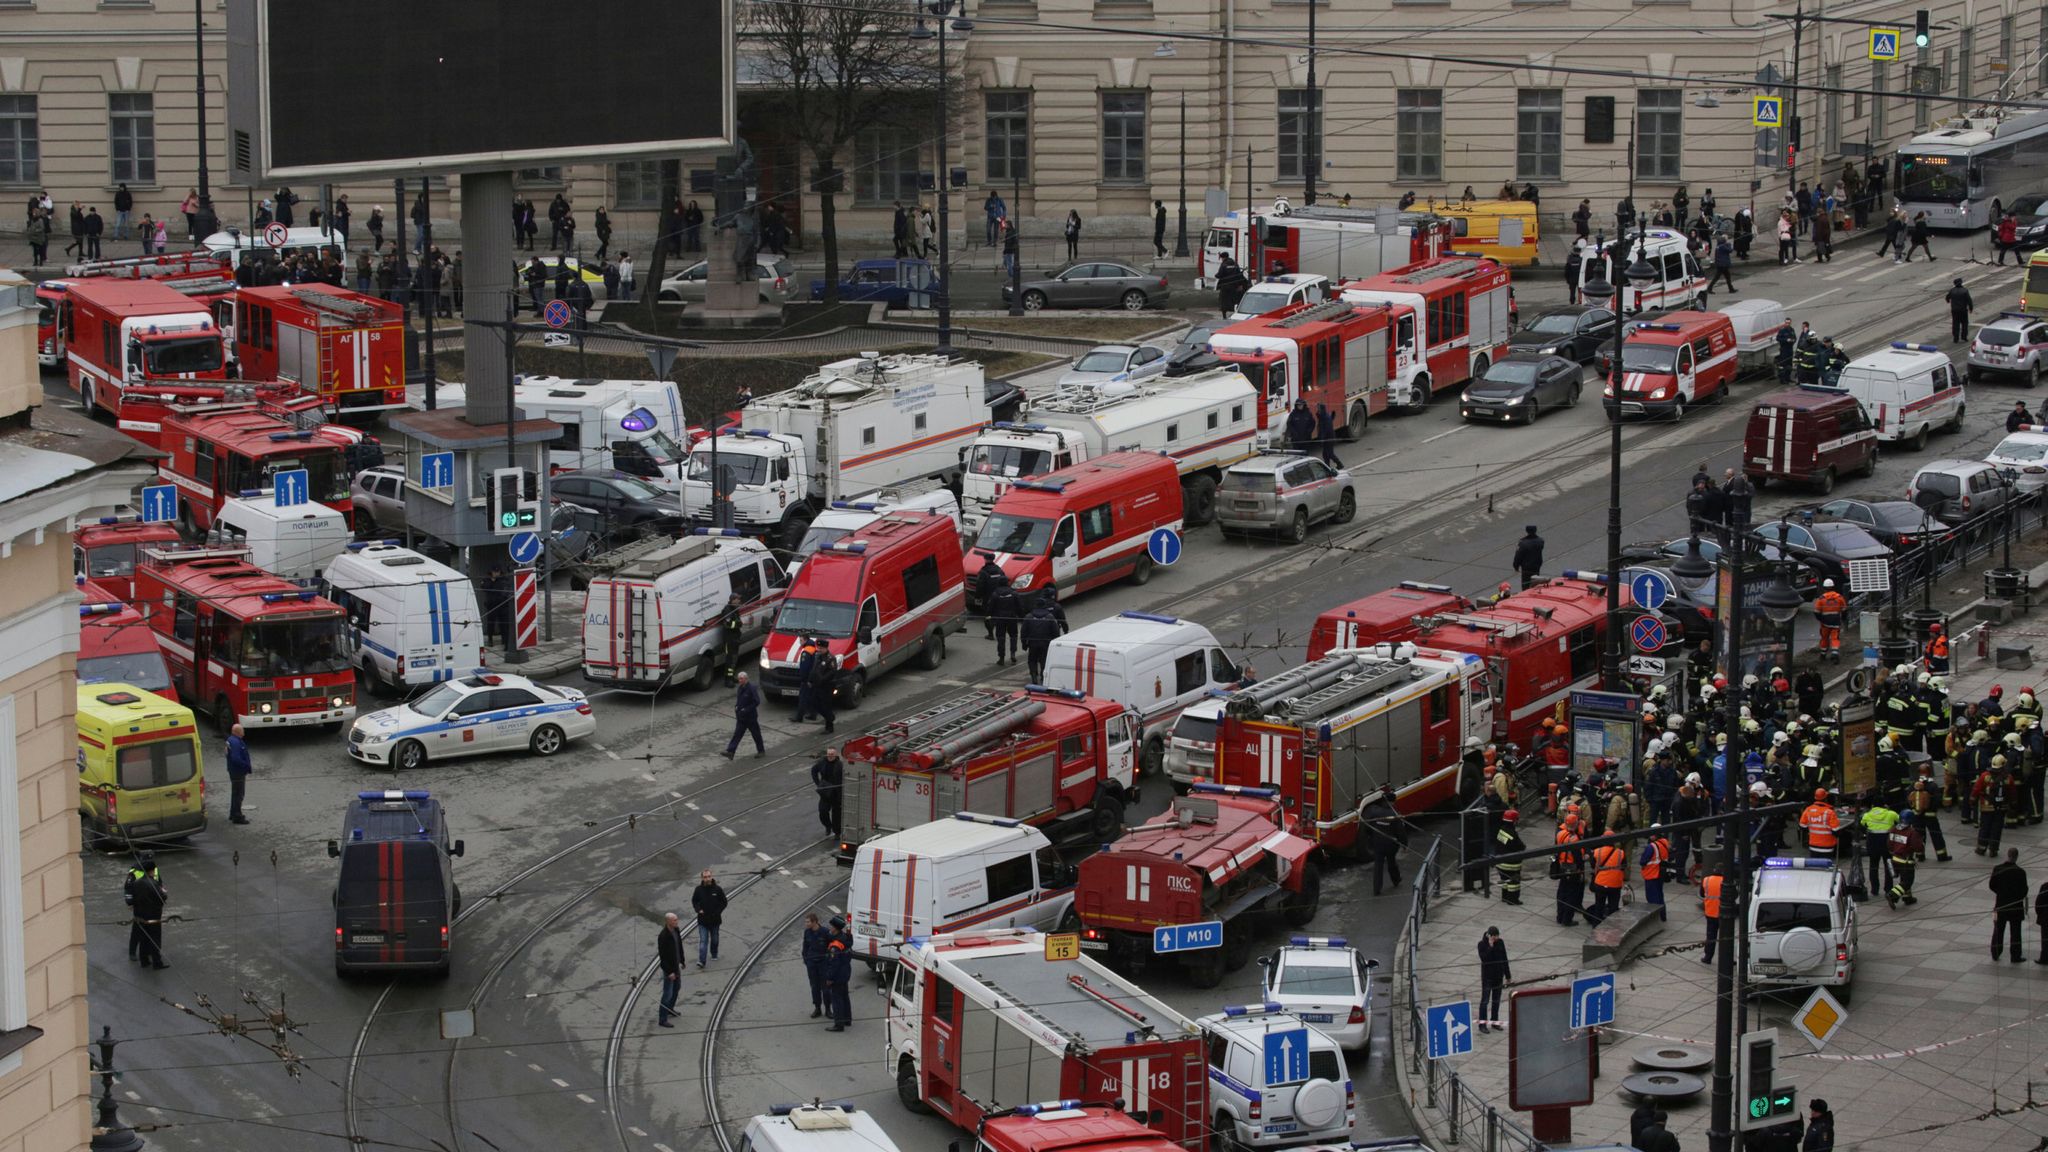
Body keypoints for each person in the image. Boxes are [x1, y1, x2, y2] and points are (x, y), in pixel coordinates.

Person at [1991, 848, 2029, 961]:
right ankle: (2015, 955)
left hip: (2000, 905)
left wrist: (2001, 893)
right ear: (2016, 857)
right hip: (2015, 907)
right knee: (2016, 932)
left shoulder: (1997, 869)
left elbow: (1991, 885)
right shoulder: (2020, 872)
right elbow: (2024, 891)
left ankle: (1995, 952)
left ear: (2007, 855)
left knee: (1998, 929)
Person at [130, 860, 168, 969]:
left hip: (140, 914)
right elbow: (162, 897)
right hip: (153, 915)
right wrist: (164, 892)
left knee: (143, 938)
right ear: (151, 871)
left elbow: (133, 898)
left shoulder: (136, 882)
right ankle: (157, 962)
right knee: (154, 938)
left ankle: (144, 961)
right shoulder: (154, 883)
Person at [124, 853, 160, 962]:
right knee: (137, 928)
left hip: (152, 904)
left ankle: (147, 951)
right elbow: (128, 888)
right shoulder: (134, 872)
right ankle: (132, 952)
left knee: (150, 928)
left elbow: (159, 883)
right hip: (139, 904)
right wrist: (130, 903)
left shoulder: (154, 869)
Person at [690, 869, 727, 968]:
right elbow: (694, 901)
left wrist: (718, 912)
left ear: (712, 877)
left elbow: (724, 902)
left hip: (715, 920)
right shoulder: (698, 890)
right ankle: (702, 961)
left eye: (709, 876)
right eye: (705, 877)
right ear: (702, 878)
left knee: (714, 939)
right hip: (703, 920)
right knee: (703, 941)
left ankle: (714, 953)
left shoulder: (717, 889)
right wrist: (698, 910)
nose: (707, 879)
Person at [723, 672, 764, 759]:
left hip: (751, 718)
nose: (740, 680)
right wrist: (737, 708)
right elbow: (739, 700)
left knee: (756, 734)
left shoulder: (751, 688)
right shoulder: (740, 688)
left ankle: (761, 751)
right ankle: (730, 751)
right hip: (741, 718)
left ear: (746, 679)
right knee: (737, 734)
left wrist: (746, 710)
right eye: (739, 679)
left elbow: (756, 702)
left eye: (741, 679)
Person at [1475, 927, 1509, 1031]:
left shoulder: (1500, 942)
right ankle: (1482, 1024)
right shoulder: (1482, 944)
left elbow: (1504, 958)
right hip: (1488, 977)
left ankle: (1494, 1021)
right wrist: (1490, 946)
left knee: (1496, 1000)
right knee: (1485, 1001)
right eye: (1494, 936)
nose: (1496, 938)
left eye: (1497, 936)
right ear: (1489, 935)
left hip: (1498, 976)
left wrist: (1508, 975)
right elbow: (1484, 958)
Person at [1554, 814, 1585, 926]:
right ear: (1576, 824)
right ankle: (1567, 919)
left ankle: (1560, 916)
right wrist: (1581, 870)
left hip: (1562, 867)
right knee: (1571, 895)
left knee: (1562, 892)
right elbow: (1578, 858)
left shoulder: (1560, 834)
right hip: (1573, 869)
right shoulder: (1575, 839)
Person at [824, 919, 854, 1030]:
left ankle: (839, 1024)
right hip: (846, 971)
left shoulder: (835, 945)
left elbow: (834, 964)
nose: (829, 928)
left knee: (837, 998)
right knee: (844, 996)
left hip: (838, 975)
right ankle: (847, 1019)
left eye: (831, 926)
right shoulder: (845, 937)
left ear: (835, 929)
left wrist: (829, 977)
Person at [1022, 599, 1061, 683]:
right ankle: (1043, 676)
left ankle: (1034, 676)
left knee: (1032, 660)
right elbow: (1056, 632)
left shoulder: (1029, 616)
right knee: (1044, 659)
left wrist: (1024, 644)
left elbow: (1023, 632)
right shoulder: (1050, 617)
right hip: (1045, 643)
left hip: (1032, 643)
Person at [655, 912, 684, 1027]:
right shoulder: (663, 936)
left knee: (677, 987)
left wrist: (682, 960)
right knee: (667, 993)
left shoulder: (676, 931)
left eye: (676, 920)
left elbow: (679, 946)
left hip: (676, 966)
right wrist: (669, 972)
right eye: (674, 920)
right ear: (668, 922)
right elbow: (663, 957)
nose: (677, 922)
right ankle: (662, 1019)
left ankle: (670, 1009)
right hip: (669, 970)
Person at [1587, 841, 1625, 925]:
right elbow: (1624, 866)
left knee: (1599, 905)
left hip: (1600, 882)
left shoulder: (1597, 851)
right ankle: (1612, 926)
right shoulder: (1621, 852)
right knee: (1613, 907)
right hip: (1615, 883)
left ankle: (1596, 924)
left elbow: (1593, 865)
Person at [801, 913, 832, 1018]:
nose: (806, 924)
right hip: (812, 964)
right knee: (814, 987)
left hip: (823, 963)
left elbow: (831, 947)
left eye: (808, 922)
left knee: (826, 988)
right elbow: (805, 946)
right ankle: (817, 1008)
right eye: (806, 922)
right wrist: (806, 960)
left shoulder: (825, 932)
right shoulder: (807, 932)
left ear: (814, 922)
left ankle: (828, 1009)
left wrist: (829, 961)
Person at [1640, 825, 1672, 919]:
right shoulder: (1665, 842)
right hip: (1661, 873)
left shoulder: (1651, 846)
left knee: (1652, 897)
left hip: (1652, 873)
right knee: (1659, 895)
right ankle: (1662, 916)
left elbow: (1643, 861)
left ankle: (1655, 918)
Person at [1494, 809, 1524, 904]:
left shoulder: (1501, 830)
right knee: (1514, 882)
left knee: (1504, 880)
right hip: (1511, 864)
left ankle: (1505, 897)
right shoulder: (1512, 834)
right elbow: (1520, 846)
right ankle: (1512, 899)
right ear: (1514, 821)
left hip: (1500, 862)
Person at [811, 747, 843, 838]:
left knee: (836, 814)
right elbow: (814, 770)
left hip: (836, 793)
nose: (830, 756)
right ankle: (828, 826)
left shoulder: (840, 765)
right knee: (822, 811)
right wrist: (818, 783)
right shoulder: (822, 762)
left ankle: (837, 832)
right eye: (828, 754)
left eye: (832, 755)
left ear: (836, 755)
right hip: (825, 792)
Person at [225, 722, 253, 824]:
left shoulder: (231, 740)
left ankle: (233, 813)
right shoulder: (236, 743)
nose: (244, 732)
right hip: (238, 772)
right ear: (238, 732)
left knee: (235, 792)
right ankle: (237, 816)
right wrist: (245, 766)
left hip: (234, 771)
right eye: (242, 730)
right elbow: (236, 758)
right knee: (239, 794)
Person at [990, 580, 1022, 667]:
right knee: (1013, 636)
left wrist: (989, 616)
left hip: (1000, 619)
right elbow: (1019, 606)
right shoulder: (1013, 593)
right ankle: (1013, 654)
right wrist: (1021, 616)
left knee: (1001, 638)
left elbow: (991, 607)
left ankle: (1001, 658)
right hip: (1012, 617)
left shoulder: (995, 594)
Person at [976, 554, 1008, 639]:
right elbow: (1005, 581)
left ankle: (990, 634)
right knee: (998, 615)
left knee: (988, 616)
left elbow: (980, 586)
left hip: (988, 598)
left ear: (985, 559)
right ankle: (1000, 634)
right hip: (999, 597)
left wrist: (978, 597)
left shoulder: (983, 571)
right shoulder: (999, 570)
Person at [1814, 580, 1846, 662]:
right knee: (1835, 638)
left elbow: (1816, 612)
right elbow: (1844, 609)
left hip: (1825, 623)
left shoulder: (1821, 599)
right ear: (1833, 587)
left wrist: (1821, 619)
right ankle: (1835, 653)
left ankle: (1823, 654)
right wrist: (1843, 619)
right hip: (1836, 621)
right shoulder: (1839, 597)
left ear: (1824, 588)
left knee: (1824, 638)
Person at [1700, 868, 1725, 963]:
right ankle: (1726, 959)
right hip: (1722, 913)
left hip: (1710, 912)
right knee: (1725, 937)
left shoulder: (1706, 880)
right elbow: (1734, 895)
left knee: (1710, 936)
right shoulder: (1726, 881)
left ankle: (1708, 957)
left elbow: (1702, 894)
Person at [1512, 525, 1544, 589]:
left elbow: (1518, 556)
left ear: (1527, 531)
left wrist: (1516, 566)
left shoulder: (1523, 543)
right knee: (1536, 582)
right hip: (1537, 565)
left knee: (1526, 584)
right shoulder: (1541, 541)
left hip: (1526, 567)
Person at [1946, 277, 1974, 344]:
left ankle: (1956, 338)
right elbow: (1969, 300)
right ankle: (1964, 337)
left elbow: (1947, 297)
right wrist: (1971, 308)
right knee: (1964, 324)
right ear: (1961, 283)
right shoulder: (1965, 290)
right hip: (1963, 310)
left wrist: (1948, 301)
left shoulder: (1952, 290)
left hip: (1954, 310)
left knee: (1955, 324)